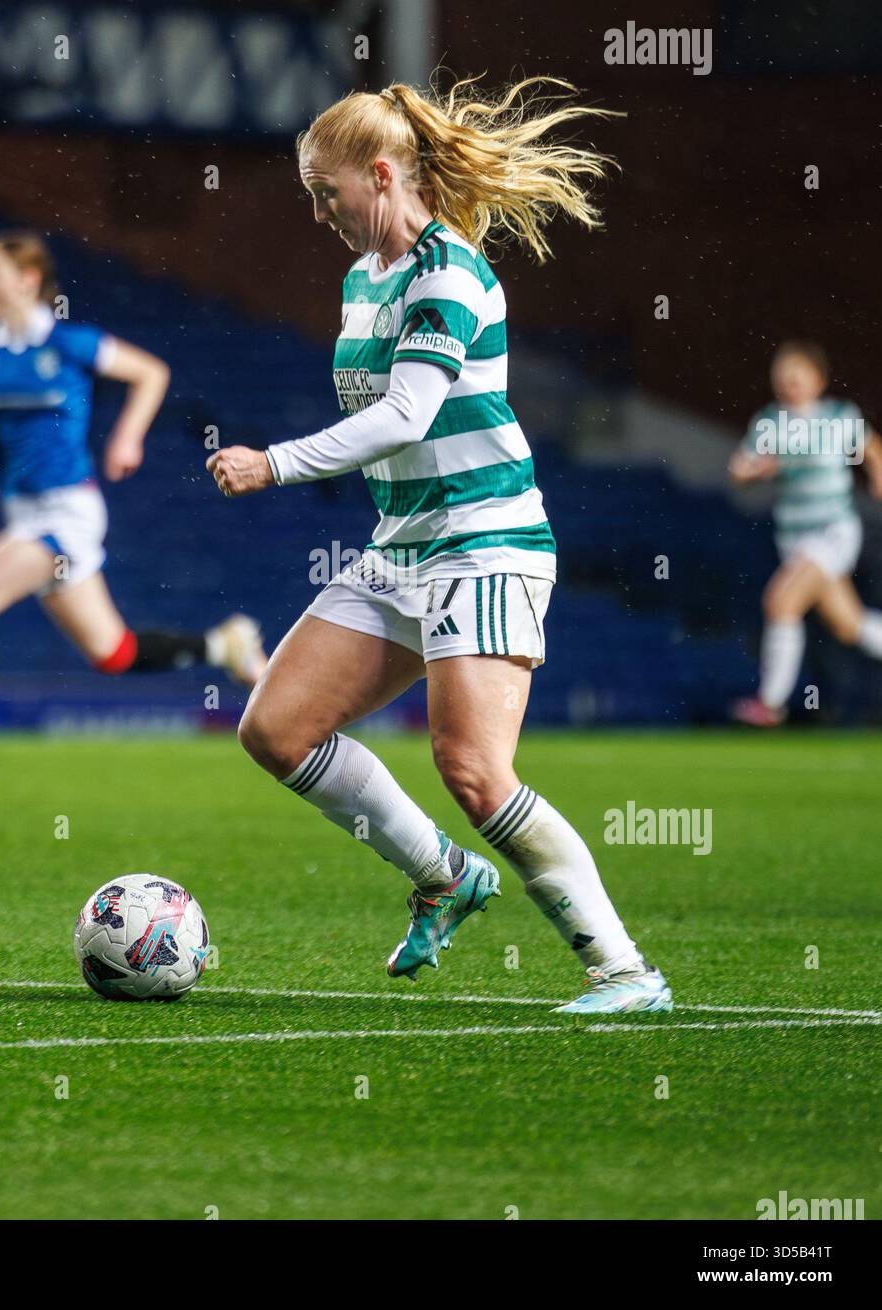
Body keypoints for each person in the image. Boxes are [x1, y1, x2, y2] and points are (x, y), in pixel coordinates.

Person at [206, 77, 673, 1015]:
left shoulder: (447, 272)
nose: (318, 210)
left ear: (380, 175)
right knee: (275, 728)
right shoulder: (361, 279)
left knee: (471, 769)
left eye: (325, 190)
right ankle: (443, 876)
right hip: (403, 544)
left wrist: (277, 464)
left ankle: (624, 970)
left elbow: (407, 411)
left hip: (485, 540)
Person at [0, 230, 265, 789]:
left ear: (28, 280)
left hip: (67, 515)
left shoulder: (69, 344)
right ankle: (224, 644)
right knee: (113, 653)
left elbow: (151, 373)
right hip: (24, 516)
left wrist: (127, 437)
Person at [730, 340, 882, 727]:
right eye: (783, 374)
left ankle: (771, 703)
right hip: (794, 538)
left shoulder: (837, 415)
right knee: (849, 625)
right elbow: (739, 469)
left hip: (833, 530)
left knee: (781, 602)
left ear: (818, 378)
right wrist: (754, 470)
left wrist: (879, 476)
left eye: (797, 374)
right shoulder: (770, 422)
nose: (789, 381)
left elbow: (870, 446)